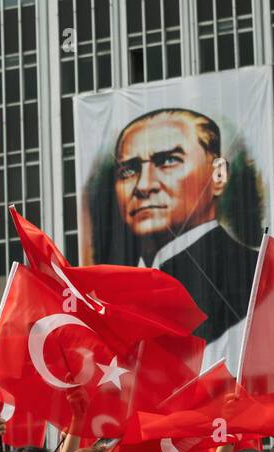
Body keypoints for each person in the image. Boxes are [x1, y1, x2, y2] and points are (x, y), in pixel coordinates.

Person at [105, 108, 258, 362]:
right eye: (128, 171)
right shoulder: (106, 300)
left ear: (218, 176)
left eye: (168, 161)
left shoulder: (258, 277)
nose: (143, 186)